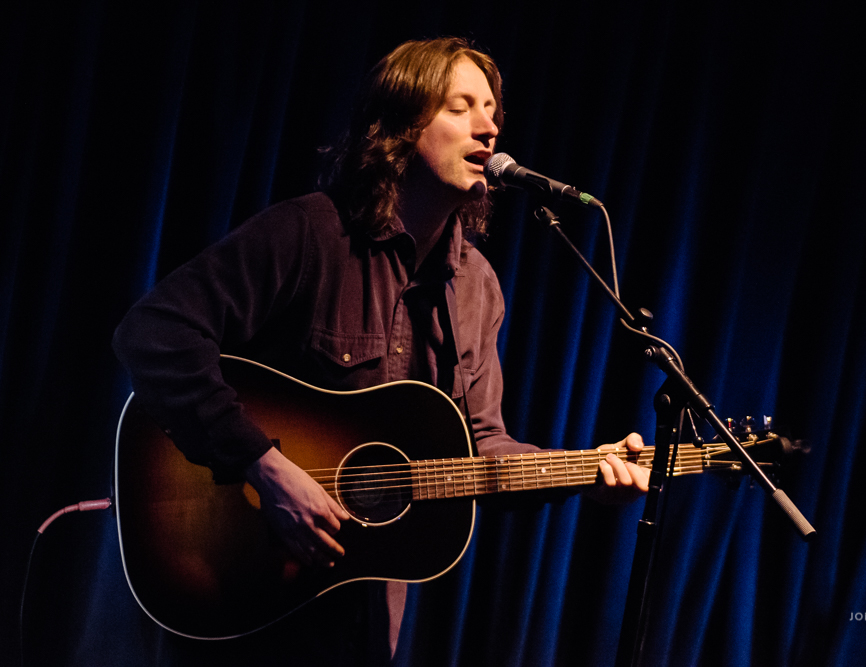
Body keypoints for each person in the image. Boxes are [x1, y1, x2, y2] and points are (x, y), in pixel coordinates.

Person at [113, 36, 648, 665]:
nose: (488, 127)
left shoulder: (476, 287)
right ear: (399, 125)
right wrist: (263, 464)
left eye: (492, 111)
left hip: (361, 611)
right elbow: (154, 333)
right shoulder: (310, 233)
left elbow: (481, 448)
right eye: (460, 107)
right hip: (243, 579)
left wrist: (585, 473)